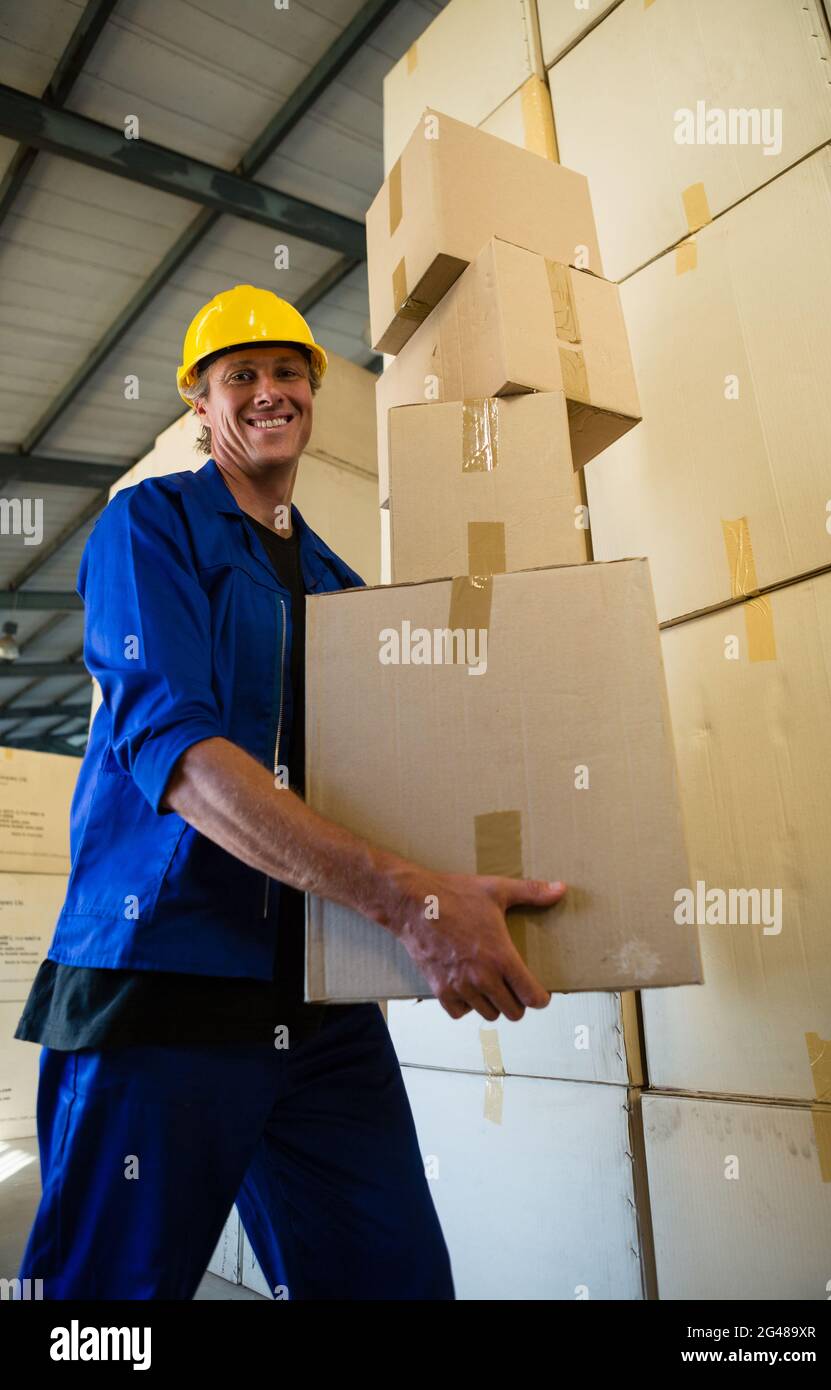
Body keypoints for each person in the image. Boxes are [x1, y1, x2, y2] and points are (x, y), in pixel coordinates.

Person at [14, 285, 565, 1300]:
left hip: (315, 1005)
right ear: (199, 403)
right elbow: (177, 756)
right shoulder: (151, 528)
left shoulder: (337, 585)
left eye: (285, 371)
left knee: (392, 1280)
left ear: (312, 387)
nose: (267, 390)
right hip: (162, 984)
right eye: (239, 376)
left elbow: (383, 783)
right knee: (107, 1312)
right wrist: (411, 903)